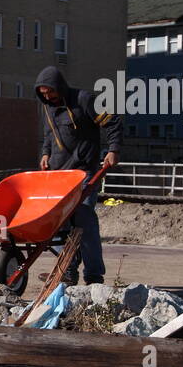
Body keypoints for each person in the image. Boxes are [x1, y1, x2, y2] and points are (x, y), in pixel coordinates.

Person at [35, 65, 121, 285]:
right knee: (59, 223)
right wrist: (45, 153)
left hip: (84, 171)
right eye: (43, 94)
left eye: (50, 92)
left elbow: (112, 123)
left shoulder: (84, 99)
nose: (47, 97)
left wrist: (113, 149)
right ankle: (67, 271)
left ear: (59, 87)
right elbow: (48, 135)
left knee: (84, 219)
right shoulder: (47, 107)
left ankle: (93, 276)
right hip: (58, 174)